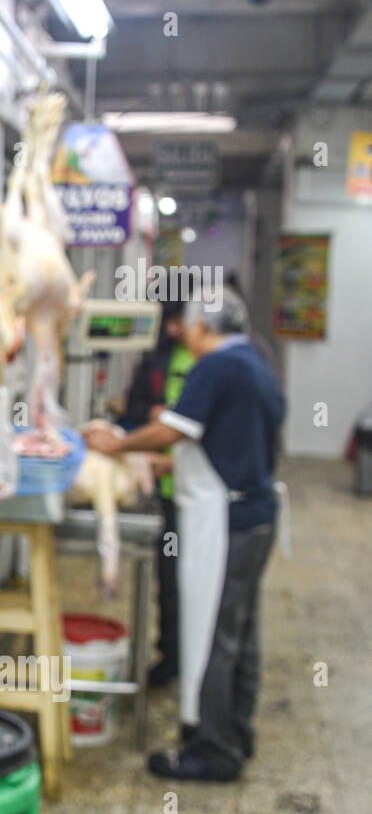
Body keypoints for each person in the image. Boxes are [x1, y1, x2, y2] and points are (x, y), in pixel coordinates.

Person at [85, 289, 285, 782]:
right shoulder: (255, 361)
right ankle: (237, 731)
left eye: (186, 328)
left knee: (216, 631)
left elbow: (173, 429)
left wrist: (119, 444)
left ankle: (213, 750)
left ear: (200, 327)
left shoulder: (217, 366)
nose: (182, 338)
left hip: (227, 523)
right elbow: (220, 443)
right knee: (240, 631)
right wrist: (152, 456)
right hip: (255, 517)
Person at [119, 303, 192, 686]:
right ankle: (172, 653)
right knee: (170, 574)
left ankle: (201, 659)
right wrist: (151, 413)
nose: (178, 329)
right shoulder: (156, 359)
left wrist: (174, 416)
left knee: (203, 580)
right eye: (173, 322)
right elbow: (132, 406)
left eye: (184, 322)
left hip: (203, 493)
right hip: (165, 489)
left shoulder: (210, 361)